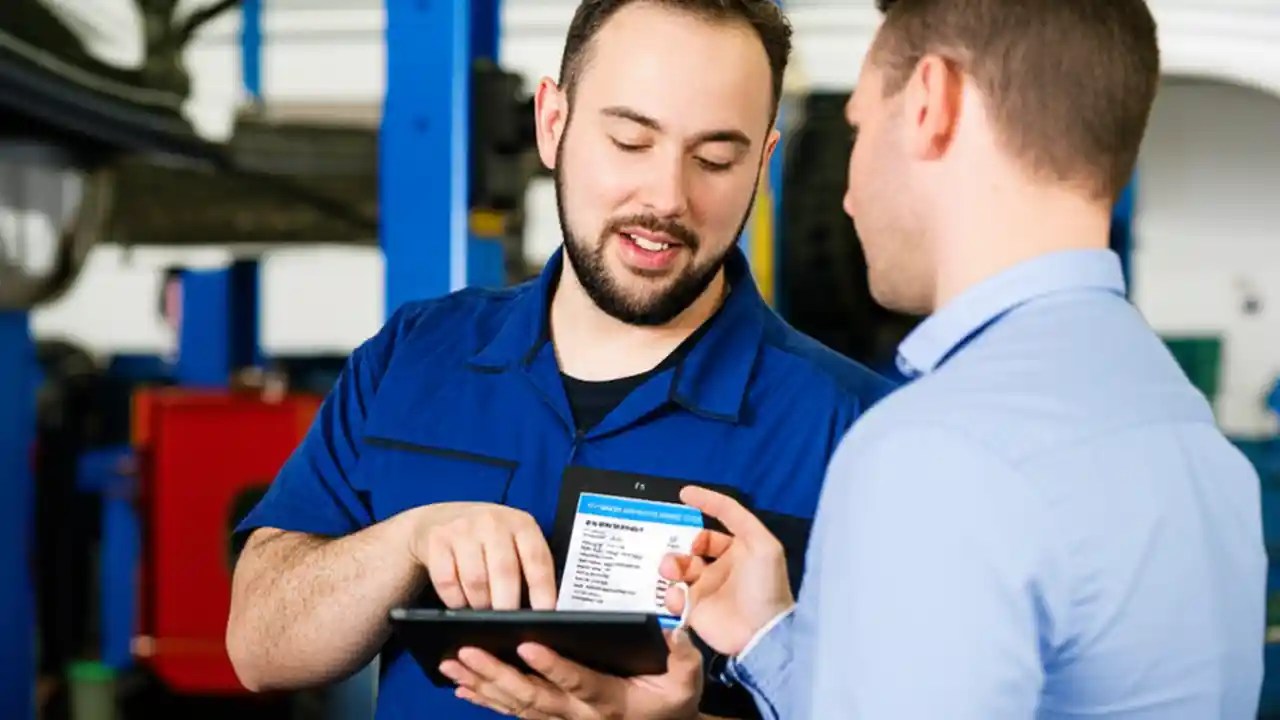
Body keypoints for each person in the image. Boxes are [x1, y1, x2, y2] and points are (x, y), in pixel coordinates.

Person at [224, 1, 894, 718]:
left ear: (762, 164)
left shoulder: (860, 433)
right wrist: (408, 543)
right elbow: (259, 647)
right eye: (630, 142)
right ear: (553, 124)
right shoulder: (414, 358)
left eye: (715, 159)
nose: (667, 198)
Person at [661, 0, 1269, 718]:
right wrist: (769, 639)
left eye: (860, 126)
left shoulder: (935, 450)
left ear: (930, 102)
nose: (850, 199)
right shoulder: (1189, 434)